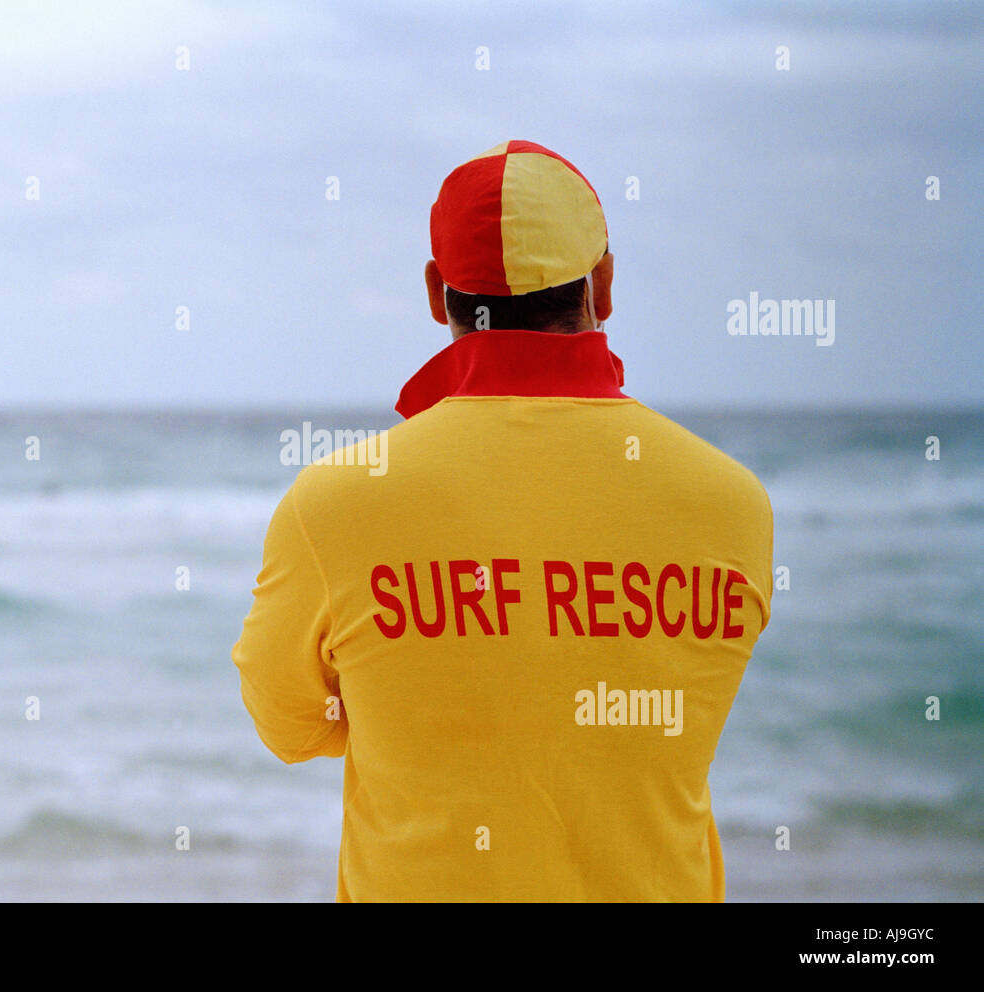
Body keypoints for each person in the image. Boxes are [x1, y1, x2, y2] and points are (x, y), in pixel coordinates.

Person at [231, 140, 774, 902]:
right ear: (605, 284)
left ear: (435, 293)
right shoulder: (731, 503)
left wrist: (410, 706)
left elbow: (287, 726)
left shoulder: (335, 501)